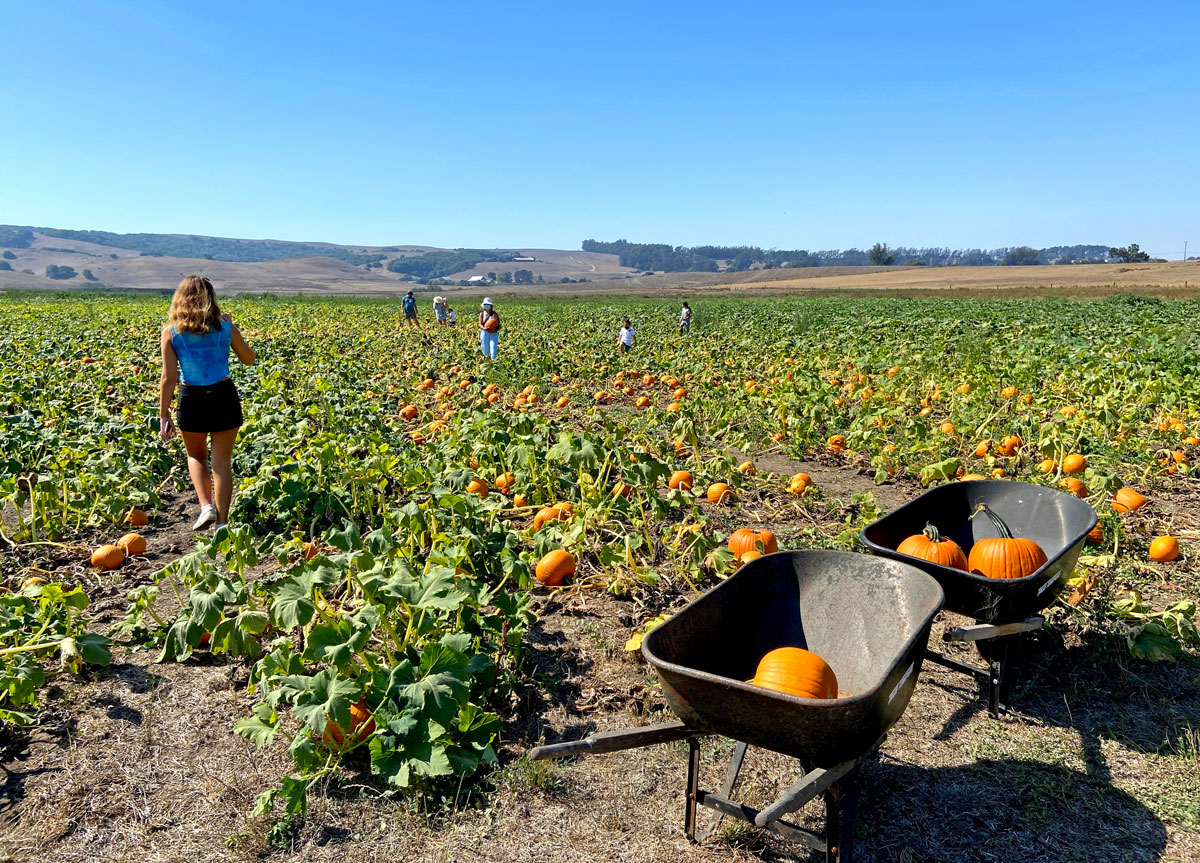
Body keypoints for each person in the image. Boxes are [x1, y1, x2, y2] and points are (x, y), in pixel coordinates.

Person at [159, 275, 256, 531]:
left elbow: (168, 379)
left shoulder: (171, 333)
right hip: (224, 395)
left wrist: (163, 414)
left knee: (196, 456)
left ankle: (206, 507)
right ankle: (222, 525)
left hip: (191, 398)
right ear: (211, 300)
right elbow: (249, 359)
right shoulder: (226, 329)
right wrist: (232, 330)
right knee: (221, 462)